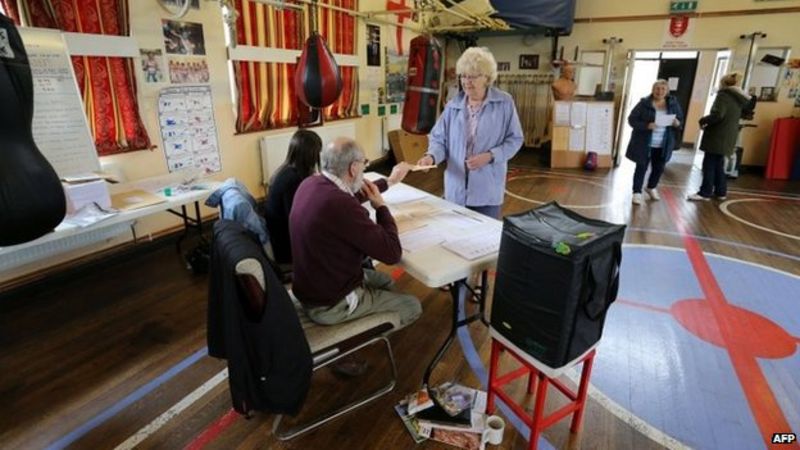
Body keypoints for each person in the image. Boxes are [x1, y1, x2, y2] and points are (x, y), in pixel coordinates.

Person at [289, 137, 421, 329]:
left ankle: (373, 309)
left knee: (385, 280)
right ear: (353, 168)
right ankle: (366, 332)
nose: (364, 169)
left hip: (311, 286)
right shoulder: (341, 205)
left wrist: (390, 181)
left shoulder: (311, 184)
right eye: (364, 163)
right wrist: (381, 207)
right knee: (413, 305)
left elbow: (351, 196)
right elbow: (392, 253)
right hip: (331, 303)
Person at [416, 47, 523, 220]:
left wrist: (490, 156)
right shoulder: (453, 105)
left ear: (487, 78)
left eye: (473, 76)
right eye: (464, 75)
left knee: (484, 241)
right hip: (455, 188)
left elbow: (515, 139)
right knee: (455, 237)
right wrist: (431, 157)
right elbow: (438, 139)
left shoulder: (504, 103)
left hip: (487, 190)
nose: (466, 81)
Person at [688, 72, 755, 201]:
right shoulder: (741, 98)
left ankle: (705, 192)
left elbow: (718, 115)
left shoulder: (724, 95)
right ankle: (720, 191)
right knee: (718, 164)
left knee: (709, 164)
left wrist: (703, 120)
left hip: (717, 135)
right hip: (729, 135)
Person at [265, 129, 322, 265]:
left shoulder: (286, 170)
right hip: (286, 248)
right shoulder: (293, 180)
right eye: (317, 152)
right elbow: (297, 221)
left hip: (280, 237)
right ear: (309, 155)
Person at [625, 79, 684, 205]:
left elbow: (680, 121)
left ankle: (651, 187)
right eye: (657, 88)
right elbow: (631, 120)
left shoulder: (673, 104)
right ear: (652, 90)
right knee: (641, 167)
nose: (660, 91)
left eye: (663, 89)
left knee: (659, 168)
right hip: (644, 142)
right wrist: (646, 125)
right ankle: (637, 192)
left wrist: (677, 123)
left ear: (667, 91)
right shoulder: (644, 103)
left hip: (663, 143)